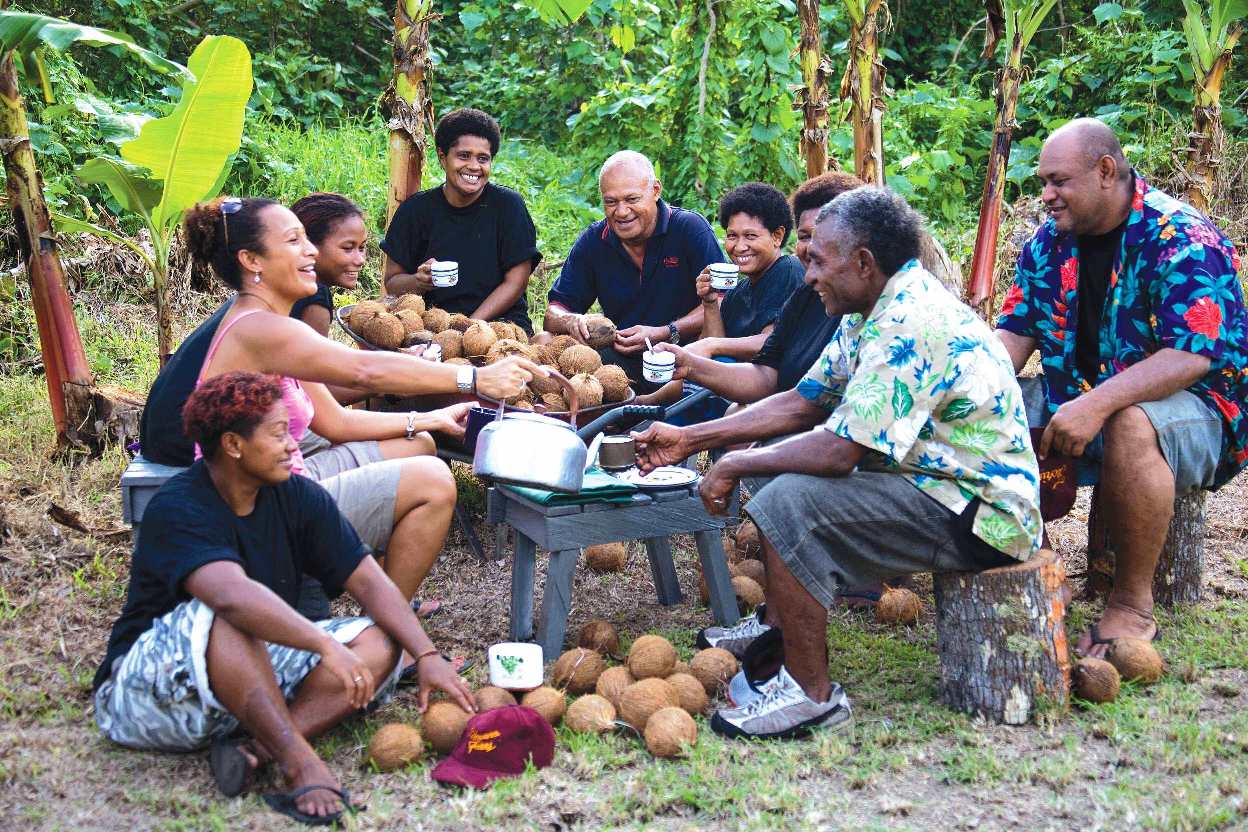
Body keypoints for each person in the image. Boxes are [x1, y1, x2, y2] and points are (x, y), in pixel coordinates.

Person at [633, 188, 1043, 740]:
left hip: (982, 514)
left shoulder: (912, 320)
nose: (808, 276)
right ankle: (777, 631)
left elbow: (839, 450)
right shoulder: (867, 309)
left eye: (819, 262)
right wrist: (691, 437)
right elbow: (804, 401)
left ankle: (811, 696)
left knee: (789, 501)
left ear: (863, 262)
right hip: (932, 483)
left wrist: (731, 465)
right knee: (775, 471)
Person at [139, 196, 542, 622]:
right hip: (260, 516)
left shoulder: (273, 324)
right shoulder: (261, 329)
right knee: (434, 481)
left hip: (283, 484)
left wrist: (429, 418)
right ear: (251, 260)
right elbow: (364, 371)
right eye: (294, 241)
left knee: (417, 443)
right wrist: (473, 379)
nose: (310, 251)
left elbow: (335, 420)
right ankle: (383, 630)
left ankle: (380, 604)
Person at [96, 372, 475, 825]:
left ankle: (259, 748)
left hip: (242, 683)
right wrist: (322, 644)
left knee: (382, 640)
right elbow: (232, 598)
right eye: (279, 434)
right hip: (151, 695)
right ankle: (299, 762)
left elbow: (368, 581)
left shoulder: (295, 495)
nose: (294, 446)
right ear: (233, 445)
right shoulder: (179, 507)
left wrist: (424, 653)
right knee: (229, 615)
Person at [996, 118, 1247, 657]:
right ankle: (1040, 569)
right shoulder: (1047, 244)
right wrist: (967, 385)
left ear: (1106, 171)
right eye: (1043, 182)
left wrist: (1097, 404)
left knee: (1131, 422)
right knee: (983, 406)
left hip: (1200, 412)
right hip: (1076, 396)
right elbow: (1014, 334)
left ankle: (1132, 606)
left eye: (1058, 181)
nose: (1046, 195)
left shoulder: (1181, 237)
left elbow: (1191, 354)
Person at [540, 150, 725, 383]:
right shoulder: (593, 242)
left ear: (655, 191)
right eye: (611, 202)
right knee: (543, 340)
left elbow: (721, 302)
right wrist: (572, 320)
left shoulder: (690, 229)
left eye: (632, 199)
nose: (621, 212)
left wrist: (665, 331)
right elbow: (553, 312)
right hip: (618, 365)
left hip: (682, 361)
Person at [382, 107, 540, 334]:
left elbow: (516, 282)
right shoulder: (415, 211)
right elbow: (392, 282)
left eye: (483, 158)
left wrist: (470, 327)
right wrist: (419, 281)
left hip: (501, 327)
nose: (474, 166)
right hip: (433, 327)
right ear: (442, 157)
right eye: (464, 156)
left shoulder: (508, 206)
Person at [287, 192, 371, 405]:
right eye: (348, 248)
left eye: (362, 247)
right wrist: (387, 385)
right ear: (309, 247)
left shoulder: (280, 279)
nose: (360, 259)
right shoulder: (313, 295)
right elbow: (314, 397)